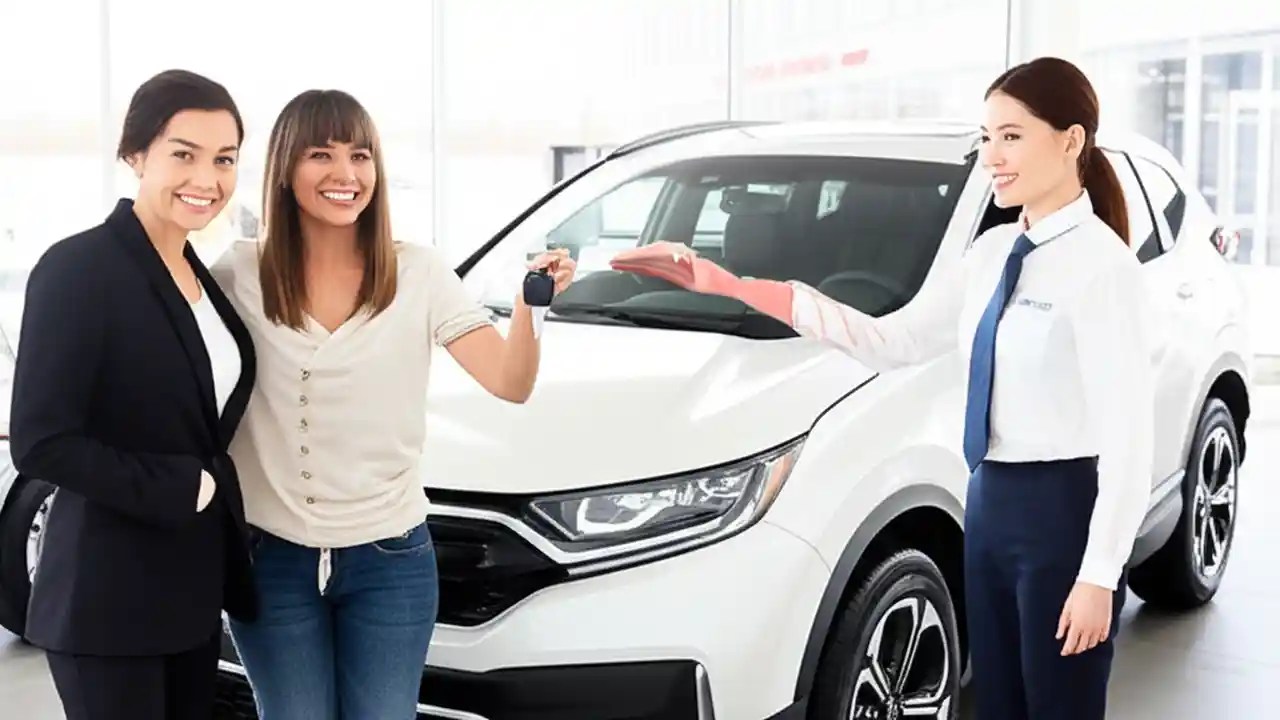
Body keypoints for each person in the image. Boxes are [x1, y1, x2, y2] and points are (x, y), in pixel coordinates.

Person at [620, 56, 1152, 720]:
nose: (993, 156)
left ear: (1071, 141)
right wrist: (730, 285)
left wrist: (1099, 575)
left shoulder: (1104, 269)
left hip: (1063, 510)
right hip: (986, 504)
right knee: (998, 709)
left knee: (1060, 706)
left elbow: (1132, 437)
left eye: (1012, 136)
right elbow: (891, 341)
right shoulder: (988, 258)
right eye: (986, 138)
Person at [210, 88, 576, 719]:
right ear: (284, 169)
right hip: (269, 556)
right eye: (320, 154)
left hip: (389, 560)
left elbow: (510, 381)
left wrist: (530, 304)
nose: (345, 175)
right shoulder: (237, 273)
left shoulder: (420, 275)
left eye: (361, 156)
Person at [8, 69, 257, 720]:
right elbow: (41, 441)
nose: (206, 179)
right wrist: (183, 487)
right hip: (108, 601)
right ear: (135, 155)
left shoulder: (202, 276)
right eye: (184, 154)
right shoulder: (79, 268)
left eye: (224, 159)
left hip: (190, 598)